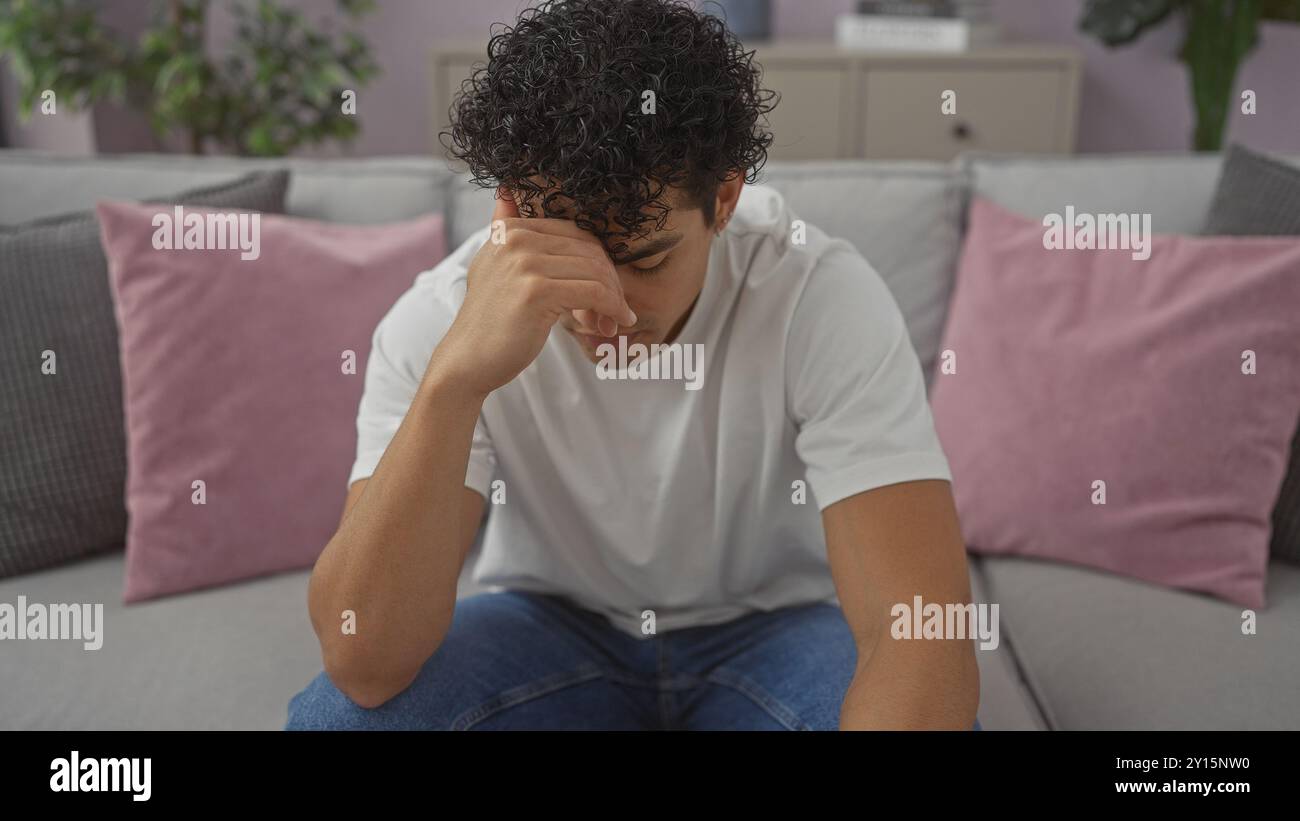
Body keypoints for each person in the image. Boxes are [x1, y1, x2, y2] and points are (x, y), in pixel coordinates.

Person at [287, 0, 980, 731]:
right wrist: (454, 381)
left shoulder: (822, 295)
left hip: (774, 630)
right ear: (511, 212)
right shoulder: (436, 319)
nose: (602, 309)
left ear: (723, 199)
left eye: (643, 259)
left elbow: (918, 633)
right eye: (564, 259)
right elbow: (364, 661)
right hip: (550, 627)